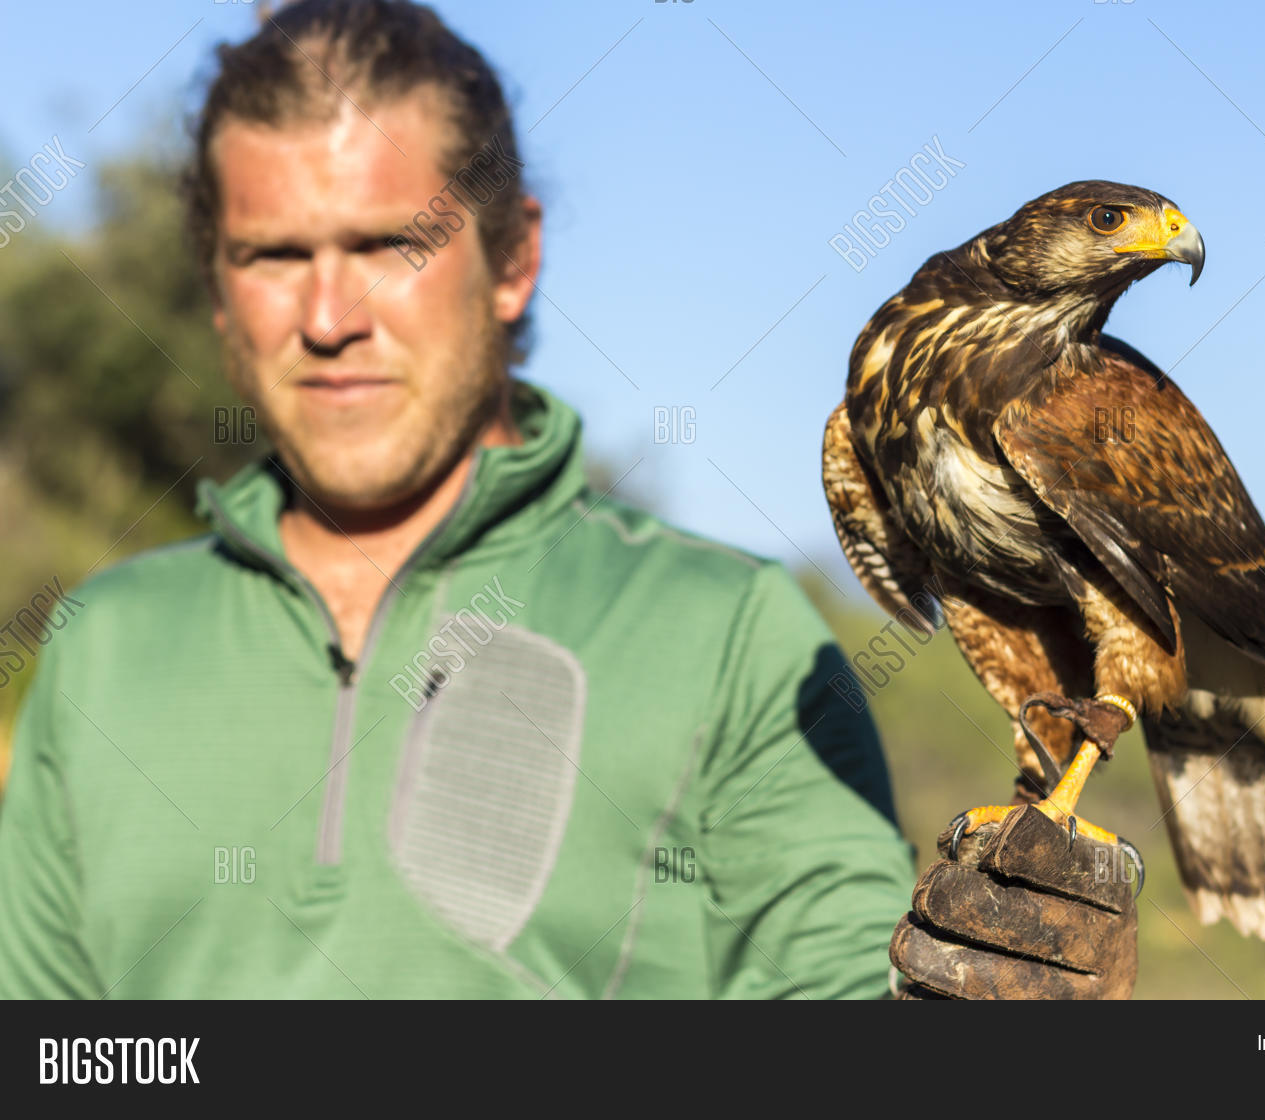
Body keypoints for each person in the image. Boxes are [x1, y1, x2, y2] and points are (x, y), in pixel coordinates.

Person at [0, 0, 1134, 999]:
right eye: (273, 255)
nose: (329, 313)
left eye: (390, 243)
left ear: (513, 257)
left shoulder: (732, 636)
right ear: (213, 284)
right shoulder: (102, 645)